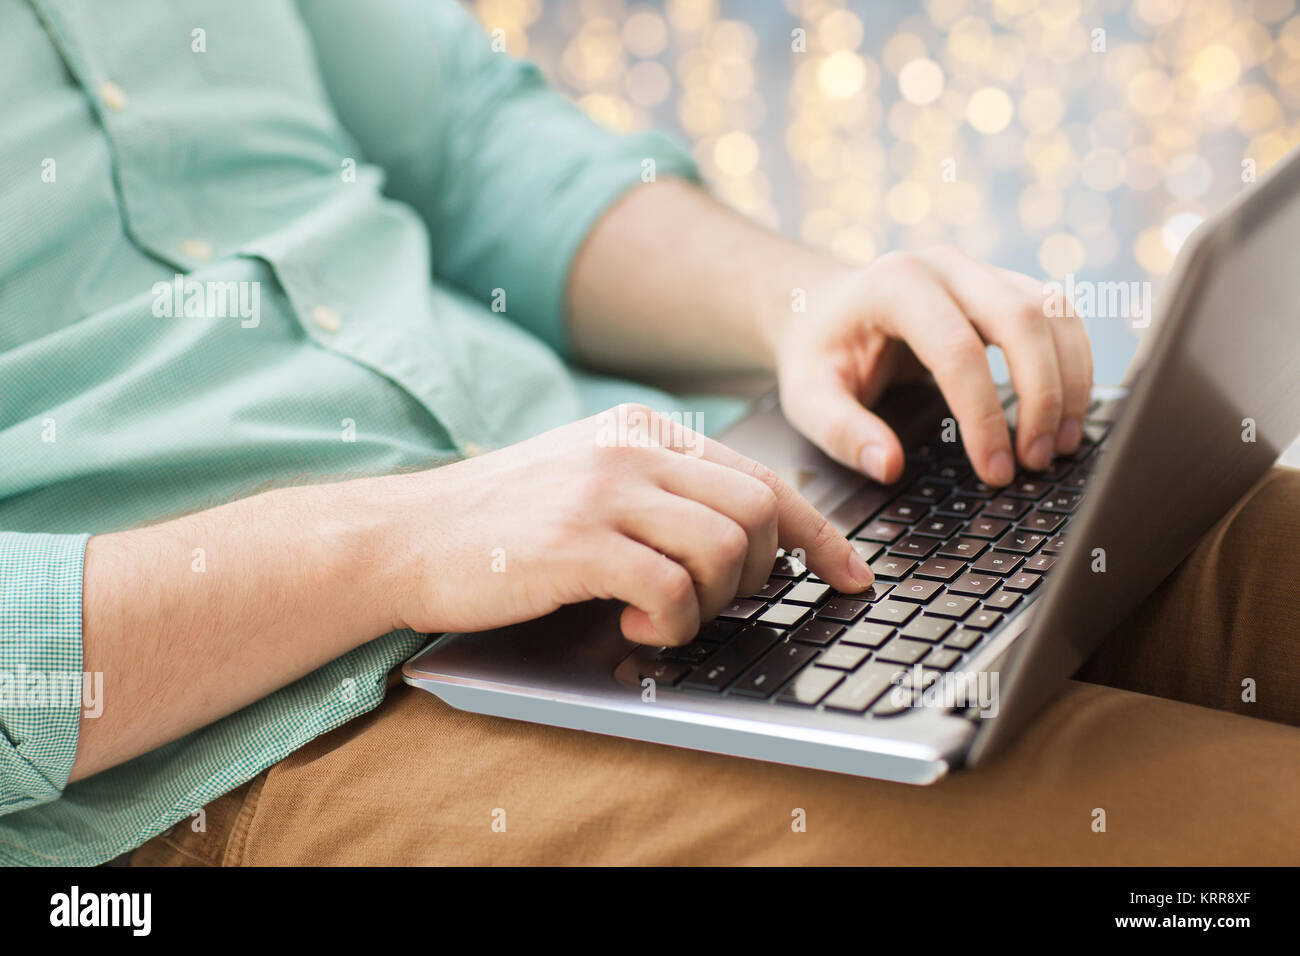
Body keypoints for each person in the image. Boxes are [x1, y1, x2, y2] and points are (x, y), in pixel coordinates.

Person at [2, 0, 1296, 867]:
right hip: (261, 731)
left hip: (666, 489)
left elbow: (466, 145)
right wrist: (412, 536)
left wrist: (803, 307)